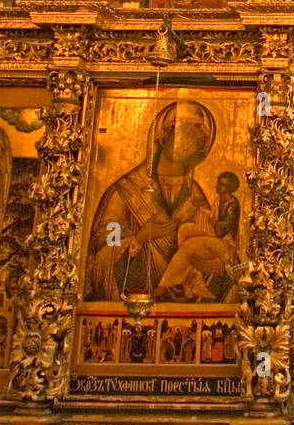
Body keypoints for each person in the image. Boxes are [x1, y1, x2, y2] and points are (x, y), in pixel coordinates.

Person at [86, 99, 217, 301]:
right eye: (184, 132)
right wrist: (139, 238)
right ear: (163, 136)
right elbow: (102, 255)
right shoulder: (124, 191)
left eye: (197, 139)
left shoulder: (197, 198)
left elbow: (215, 257)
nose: (188, 143)